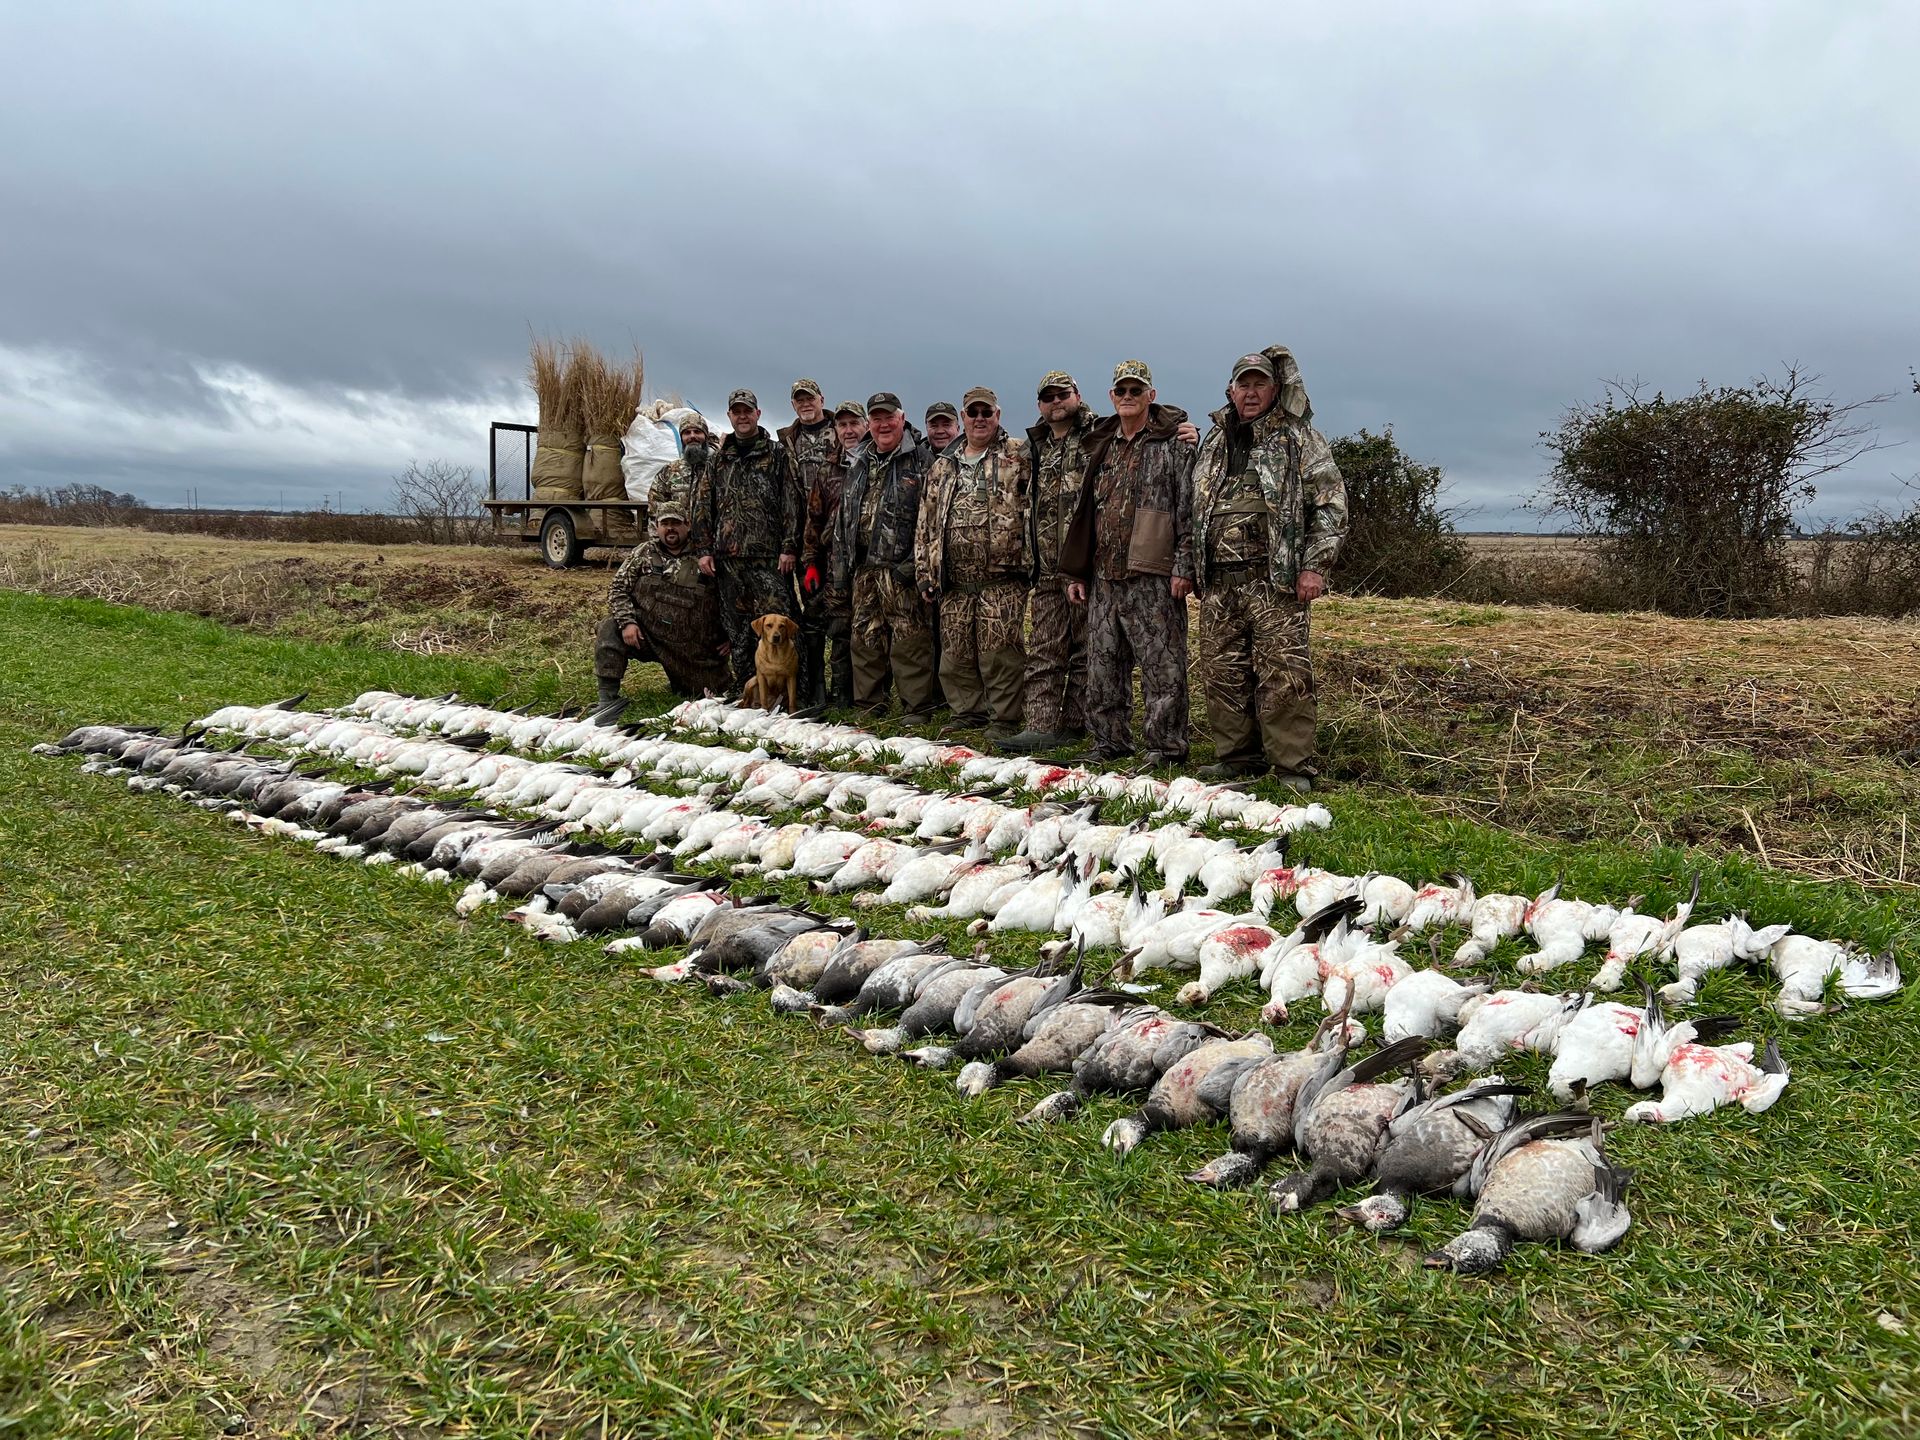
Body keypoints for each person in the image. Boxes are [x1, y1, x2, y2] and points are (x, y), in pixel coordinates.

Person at [1191, 347, 1348, 790]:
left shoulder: (1299, 437)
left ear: (1275, 389)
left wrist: (1315, 567)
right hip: (1219, 584)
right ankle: (1237, 757)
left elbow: (1330, 504)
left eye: (1260, 383)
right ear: (1231, 390)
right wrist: (1189, 566)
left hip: (1273, 581)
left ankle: (1291, 766)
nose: (1252, 392)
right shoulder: (1214, 441)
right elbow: (1193, 510)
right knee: (1222, 671)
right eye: (1244, 383)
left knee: (1284, 674)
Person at [1062, 360, 1196, 767]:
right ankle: (1109, 742)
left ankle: (1166, 748)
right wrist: (1078, 569)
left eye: (1135, 391)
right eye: (1121, 391)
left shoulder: (1173, 444)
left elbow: (1188, 506)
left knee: (1163, 668)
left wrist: (1184, 565)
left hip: (1153, 574)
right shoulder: (1102, 446)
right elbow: (1086, 511)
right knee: (1103, 666)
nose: (1127, 397)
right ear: (1111, 396)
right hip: (1104, 575)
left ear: (1150, 396)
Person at [915, 387, 1031, 743]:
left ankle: (1005, 718)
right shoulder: (942, 466)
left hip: (1002, 577)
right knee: (956, 652)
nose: (979, 419)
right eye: (973, 413)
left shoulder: (1019, 455)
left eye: (986, 412)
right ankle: (968, 712)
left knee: (1000, 653)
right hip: (954, 580)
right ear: (963, 418)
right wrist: (925, 571)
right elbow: (926, 521)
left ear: (998, 415)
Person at [691, 388, 805, 695]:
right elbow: (702, 506)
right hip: (728, 561)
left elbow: (792, 503)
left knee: (784, 626)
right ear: (730, 416)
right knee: (739, 631)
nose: (742, 416)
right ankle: (749, 691)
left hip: (769, 560)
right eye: (736, 411)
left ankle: (797, 693)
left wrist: (789, 547)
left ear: (758, 414)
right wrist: (703, 551)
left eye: (747, 410)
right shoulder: (718, 461)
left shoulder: (778, 454)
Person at [833, 392, 938, 721]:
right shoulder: (858, 462)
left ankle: (917, 707)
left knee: (910, 641)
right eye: (876, 418)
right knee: (865, 639)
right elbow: (844, 519)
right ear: (870, 423)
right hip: (864, 569)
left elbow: (933, 521)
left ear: (902, 419)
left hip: (901, 570)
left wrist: (913, 568)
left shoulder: (922, 462)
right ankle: (870, 705)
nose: (883, 424)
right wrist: (841, 570)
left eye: (888, 417)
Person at [596, 501, 731, 704]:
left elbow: (731, 598)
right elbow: (618, 588)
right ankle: (607, 700)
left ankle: (681, 681)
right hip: (649, 636)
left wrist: (731, 636)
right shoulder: (643, 553)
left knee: (711, 697)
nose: (670, 528)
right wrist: (628, 622)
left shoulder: (705, 557)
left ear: (687, 524)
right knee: (611, 627)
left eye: (675, 523)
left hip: (693, 649)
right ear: (656, 527)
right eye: (664, 523)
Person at [778, 378, 845, 709]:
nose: (805, 403)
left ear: (821, 399)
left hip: (840, 538)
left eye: (810, 398)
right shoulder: (787, 442)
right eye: (799, 400)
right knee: (813, 614)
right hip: (808, 542)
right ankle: (816, 686)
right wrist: (793, 549)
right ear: (793, 405)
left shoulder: (842, 430)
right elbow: (788, 500)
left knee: (844, 617)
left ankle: (845, 689)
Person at [798, 399, 867, 709]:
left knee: (861, 632)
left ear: (865, 425)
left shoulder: (875, 460)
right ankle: (829, 695)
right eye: (842, 425)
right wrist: (811, 563)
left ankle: (857, 696)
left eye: (854, 423)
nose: (849, 430)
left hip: (867, 561)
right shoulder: (828, 467)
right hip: (833, 563)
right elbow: (813, 519)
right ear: (836, 429)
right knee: (835, 628)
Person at [646, 414, 713, 515]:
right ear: (681, 439)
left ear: (706, 437)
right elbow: (654, 510)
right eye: (687, 433)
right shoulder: (669, 472)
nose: (692, 436)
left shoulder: (718, 468)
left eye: (697, 431)